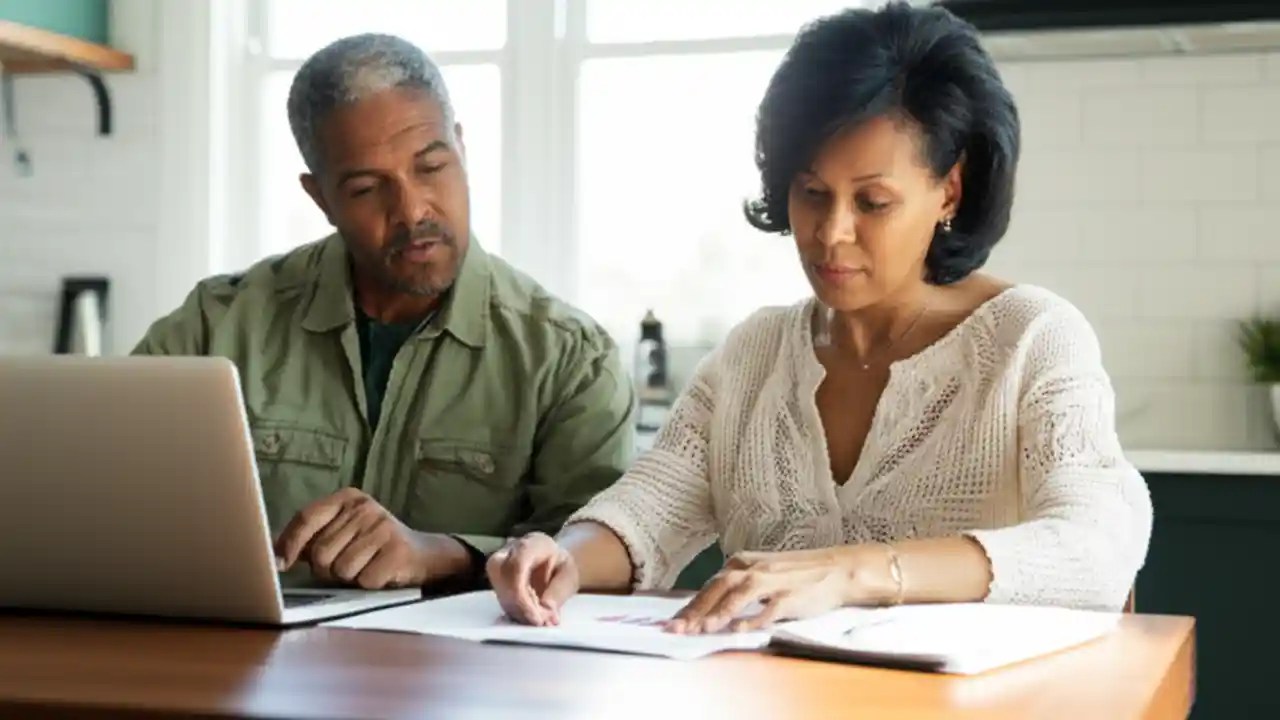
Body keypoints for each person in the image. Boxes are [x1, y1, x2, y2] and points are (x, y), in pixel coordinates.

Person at [488, 1, 1152, 632]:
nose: (831, 233)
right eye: (812, 193)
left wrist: (854, 571)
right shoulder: (755, 354)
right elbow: (644, 513)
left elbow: (1094, 548)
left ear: (949, 188)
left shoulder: (1032, 338)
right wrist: (565, 555)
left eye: (873, 202)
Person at [133, 34, 634, 592]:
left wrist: (440, 554)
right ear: (321, 198)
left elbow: (599, 560)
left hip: (474, 672)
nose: (412, 210)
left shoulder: (569, 359)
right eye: (368, 189)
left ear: (462, 151)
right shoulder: (216, 327)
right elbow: (104, 491)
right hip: (254, 665)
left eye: (431, 166)